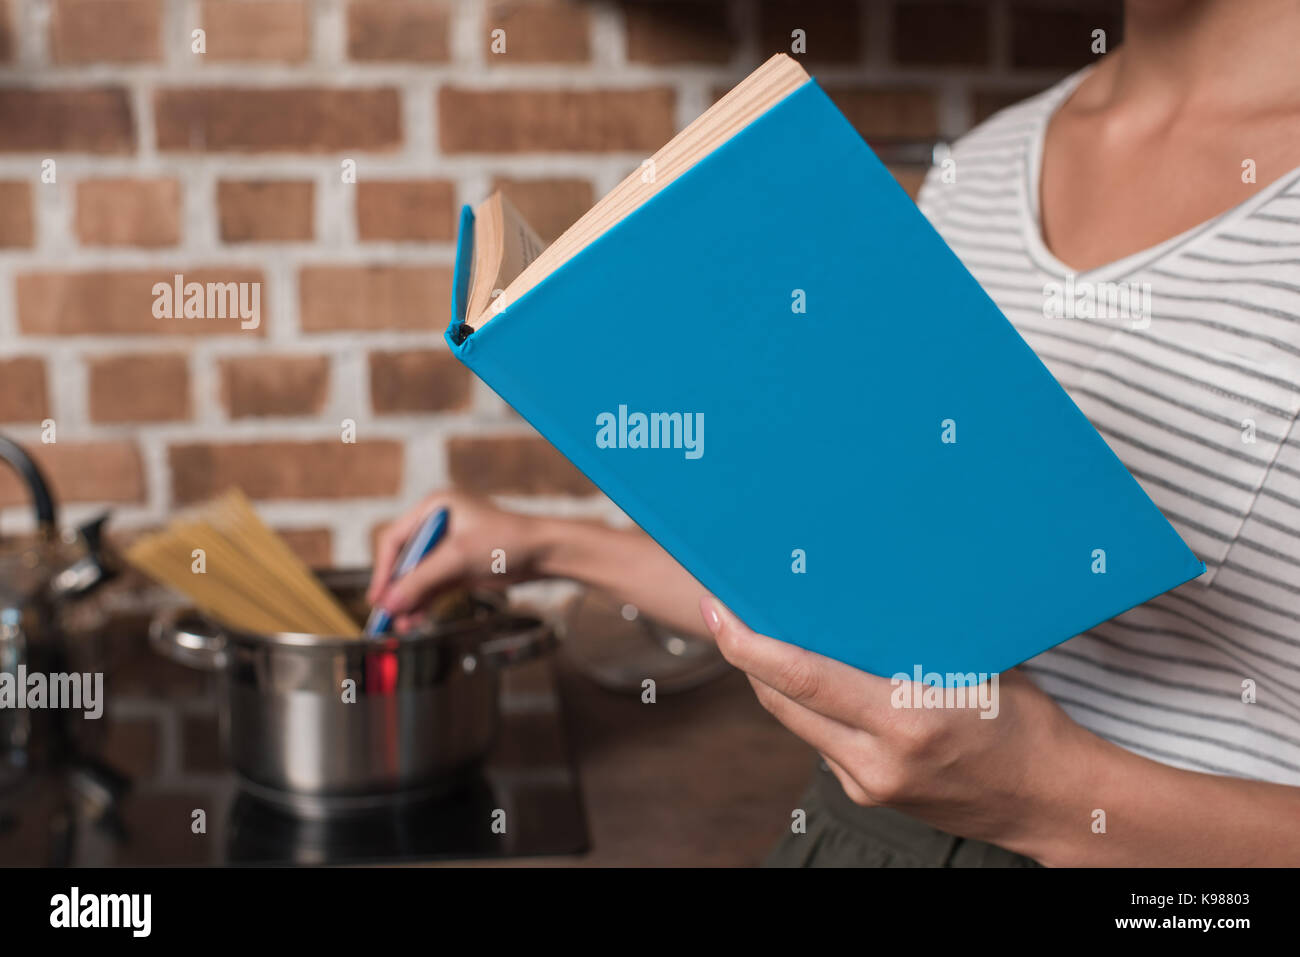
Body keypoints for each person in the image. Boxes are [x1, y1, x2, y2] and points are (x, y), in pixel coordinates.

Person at [369, 0, 1300, 866]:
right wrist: (546, 543)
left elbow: (1023, 771)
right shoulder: (984, 164)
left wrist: (1047, 793)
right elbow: (857, 590)